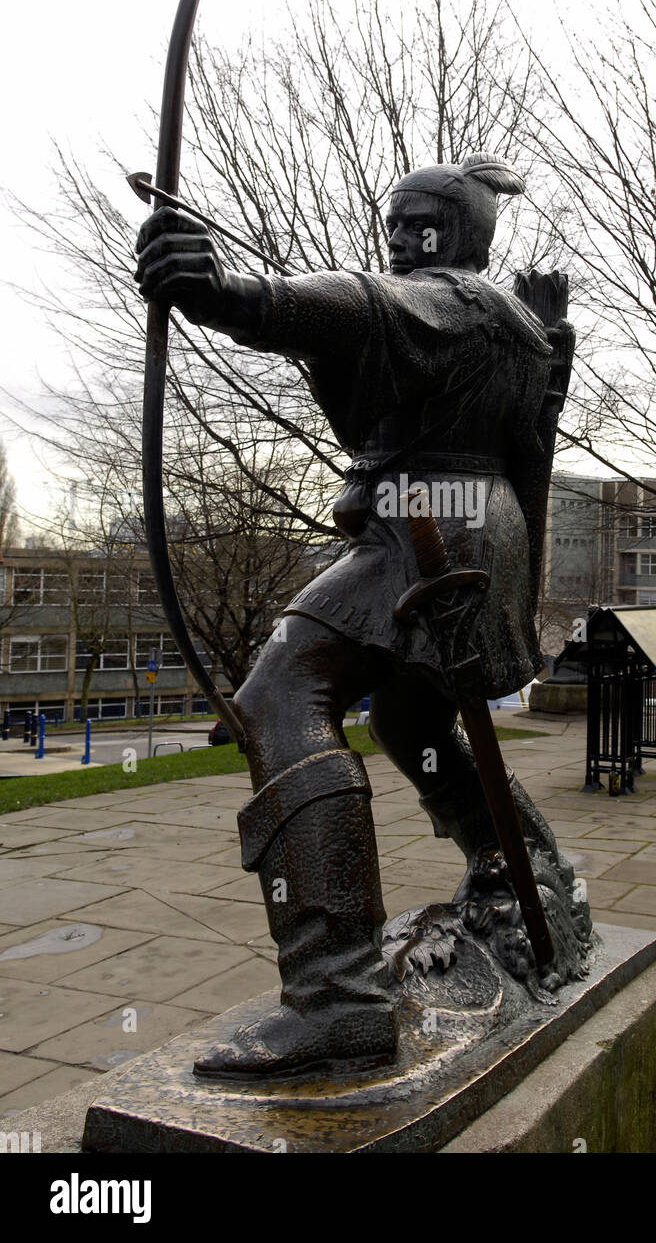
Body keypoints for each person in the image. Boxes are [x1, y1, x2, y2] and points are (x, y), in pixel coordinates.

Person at [135, 153, 574, 1078]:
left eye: (427, 224)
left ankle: (335, 998)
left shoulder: (450, 301)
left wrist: (221, 291)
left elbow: (349, 304)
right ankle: (528, 871)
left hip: (427, 532)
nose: (404, 239)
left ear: (464, 238)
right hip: (462, 531)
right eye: (397, 221)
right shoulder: (512, 325)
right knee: (415, 722)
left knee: (279, 697)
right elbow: (519, 431)